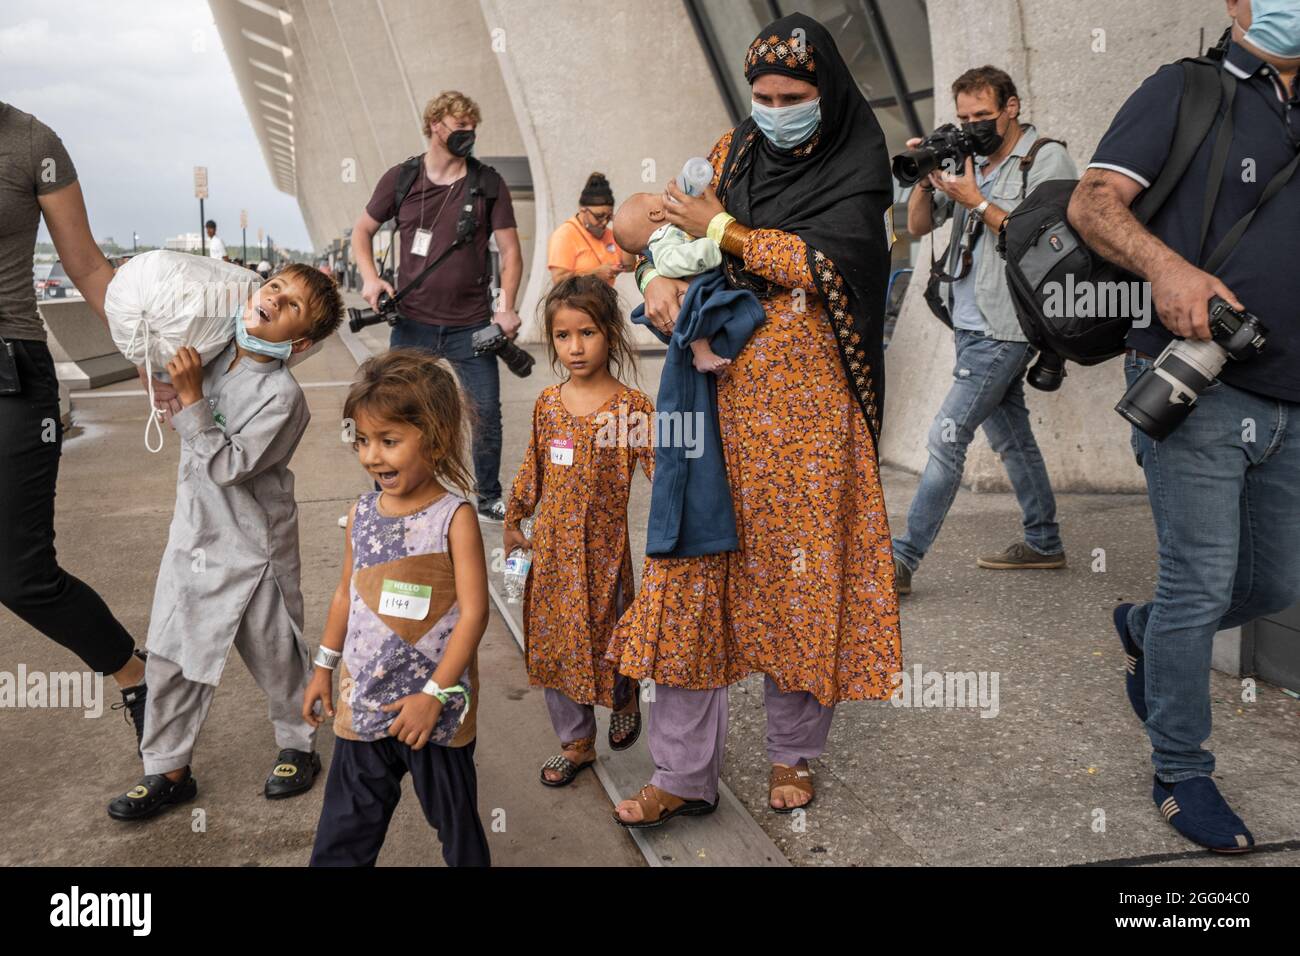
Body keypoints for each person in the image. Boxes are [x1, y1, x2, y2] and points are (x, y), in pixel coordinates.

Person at [607, 13, 900, 826]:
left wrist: (726, 231)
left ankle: (792, 756)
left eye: (792, 96)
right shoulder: (735, 150)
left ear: (826, 94)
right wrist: (650, 281)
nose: (774, 109)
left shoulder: (859, 165)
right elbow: (668, 225)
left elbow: (829, 265)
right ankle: (681, 771)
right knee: (688, 580)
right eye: (762, 95)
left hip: (809, 422)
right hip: (710, 411)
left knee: (797, 586)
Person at [1068, 0, 1300, 853]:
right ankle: (1181, 770)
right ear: (1238, 5)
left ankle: (1145, 628)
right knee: (1200, 587)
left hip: (1293, 393)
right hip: (1197, 381)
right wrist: (1167, 268)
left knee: (1274, 585)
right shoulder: (1186, 88)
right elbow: (1093, 205)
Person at [106, 265, 344, 820]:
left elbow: (230, 464)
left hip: (255, 548)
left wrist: (190, 399)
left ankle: (297, 745)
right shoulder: (210, 357)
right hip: (194, 537)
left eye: (292, 307)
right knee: (171, 653)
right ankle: (167, 767)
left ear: (300, 342)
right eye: (274, 288)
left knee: (277, 656)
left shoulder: (284, 397)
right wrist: (171, 386)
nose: (275, 301)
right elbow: (177, 413)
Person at [0, 100, 152, 749]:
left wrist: (148, 344)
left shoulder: (32, 141)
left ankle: (136, 673)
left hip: (12, 371)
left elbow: (87, 265)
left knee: (22, 574)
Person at [891, 66, 1076, 597]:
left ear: (1011, 108)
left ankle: (902, 560)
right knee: (1012, 437)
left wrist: (976, 200)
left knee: (945, 439)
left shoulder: (1047, 159)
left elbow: (1046, 240)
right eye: (964, 117)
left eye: (983, 116)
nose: (973, 126)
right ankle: (1044, 541)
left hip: (1008, 327)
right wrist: (928, 177)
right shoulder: (969, 161)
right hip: (970, 323)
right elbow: (920, 226)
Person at [305, 350, 490, 867]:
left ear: (434, 439)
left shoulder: (454, 518)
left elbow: (475, 614)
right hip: (364, 704)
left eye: (389, 441)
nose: (372, 456)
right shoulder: (360, 513)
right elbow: (347, 594)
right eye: (363, 440)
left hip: (436, 714)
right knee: (342, 836)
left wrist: (432, 696)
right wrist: (324, 667)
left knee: (459, 834)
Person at [503, 277, 653, 787]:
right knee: (555, 647)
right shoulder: (548, 403)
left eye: (586, 333)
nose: (575, 347)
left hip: (607, 555)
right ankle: (576, 743)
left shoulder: (632, 408)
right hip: (551, 556)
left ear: (610, 333)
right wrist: (514, 517)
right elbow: (534, 467)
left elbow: (666, 473)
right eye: (563, 336)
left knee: (613, 639)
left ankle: (625, 695)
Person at [351, 90, 523, 523]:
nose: (467, 136)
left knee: (485, 412)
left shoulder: (488, 184)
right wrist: (371, 279)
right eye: (459, 128)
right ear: (434, 126)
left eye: (472, 129)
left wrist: (506, 308)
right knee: (396, 411)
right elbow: (362, 232)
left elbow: (511, 252)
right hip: (412, 324)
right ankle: (387, 495)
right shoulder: (402, 179)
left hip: (472, 326)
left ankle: (488, 496)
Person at [613, 191, 733, 373]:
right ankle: (701, 354)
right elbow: (669, 262)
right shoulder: (663, 238)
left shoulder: (674, 228)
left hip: (707, 284)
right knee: (686, 305)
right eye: (656, 195)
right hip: (691, 288)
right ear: (656, 213)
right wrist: (713, 245)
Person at [546, 172, 634, 286]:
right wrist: (594, 274)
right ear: (582, 210)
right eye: (598, 216)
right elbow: (558, 280)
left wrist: (623, 227)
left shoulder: (611, 234)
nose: (604, 222)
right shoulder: (564, 235)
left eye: (609, 217)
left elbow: (630, 265)